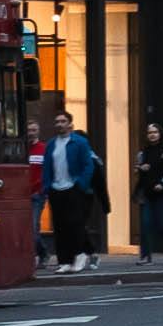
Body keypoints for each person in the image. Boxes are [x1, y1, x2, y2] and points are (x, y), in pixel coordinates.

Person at [41, 110, 102, 272]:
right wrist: (47, 186)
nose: (59, 124)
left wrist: (81, 184)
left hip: (73, 188)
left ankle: (81, 254)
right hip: (56, 189)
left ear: (69, 124)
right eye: (57, 122)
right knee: (60, 227)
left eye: (62, 121)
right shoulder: (51, 144)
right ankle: (64, 261)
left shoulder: (80, 142)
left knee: (75, 223)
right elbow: (46, 167)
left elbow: (88, 165)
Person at [133, 122, 163, 262]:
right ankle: (146, 255)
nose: (152, 135)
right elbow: (137, 170)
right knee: (146, 224)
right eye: (149, 133)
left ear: (160, 134)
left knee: (162, 225)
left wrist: (162, 183)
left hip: (160, 192)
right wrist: (141, 168)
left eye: (155, 132)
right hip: (146, 192)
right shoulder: (143, 153)